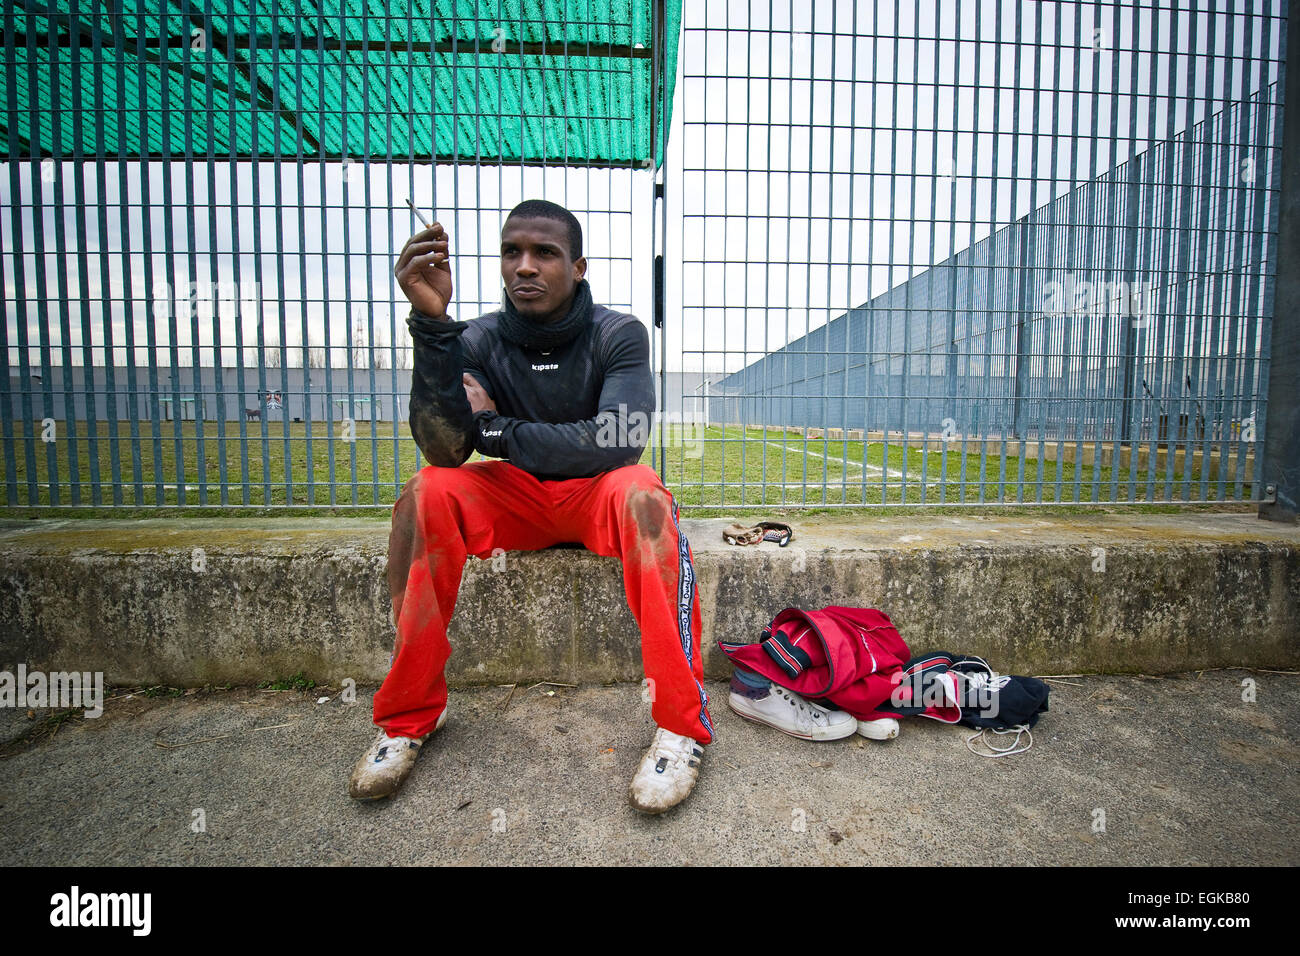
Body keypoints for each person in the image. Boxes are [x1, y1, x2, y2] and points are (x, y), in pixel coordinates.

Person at [348, 199, 713, 814]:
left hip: (596, 494)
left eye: (544, 253)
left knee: (645, 494)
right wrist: (432, 324)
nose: (525, 266)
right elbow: (444, 448)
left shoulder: (617, 332)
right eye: (511, 252)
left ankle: (681, 726)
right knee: (427, 493)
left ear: (578, 266)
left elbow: (618, 439)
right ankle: (409, 718)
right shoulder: (479, 338)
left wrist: (494, 431)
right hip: (514, 496)